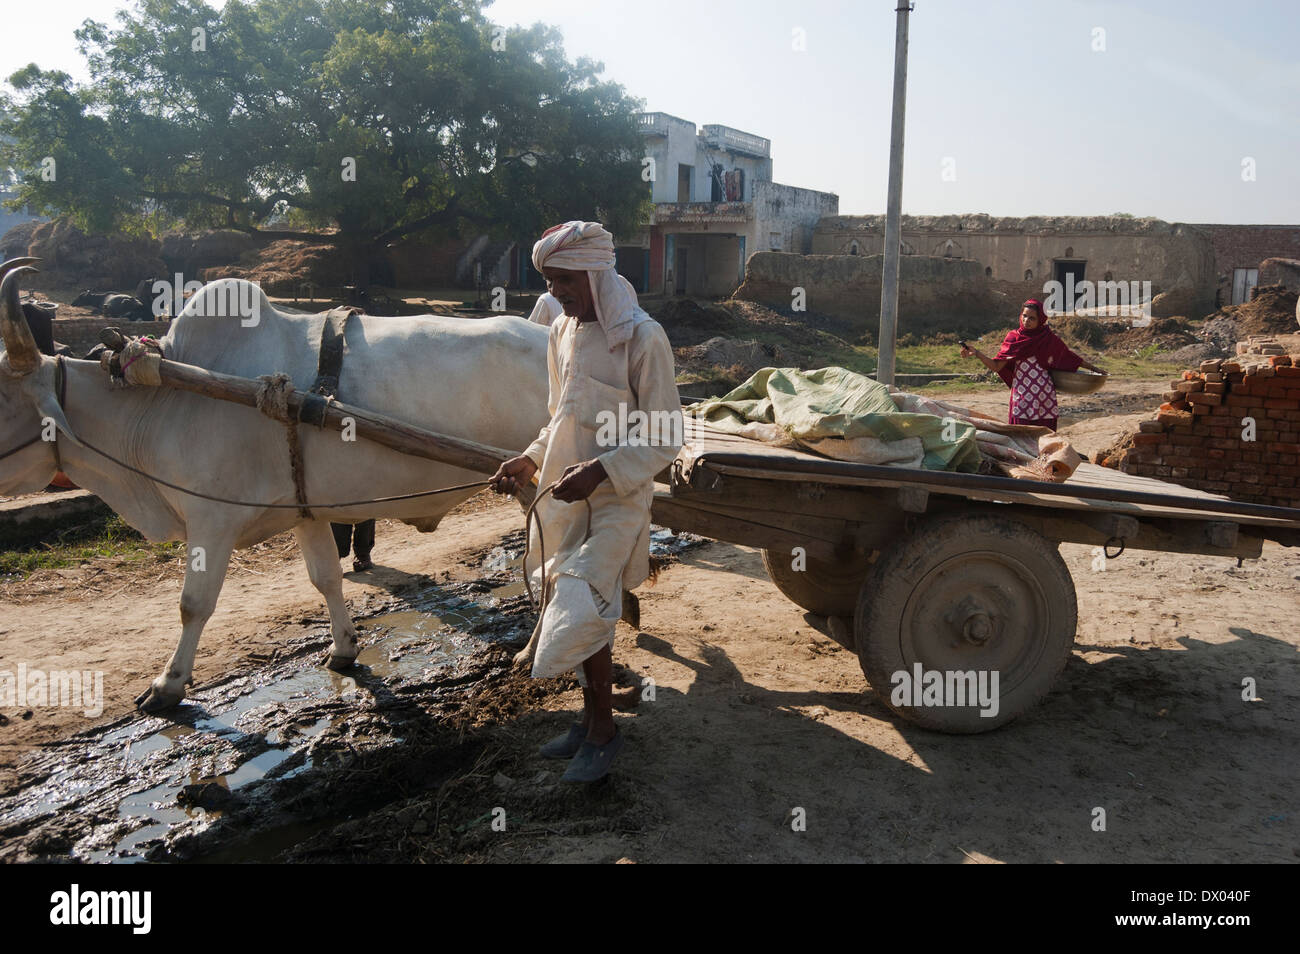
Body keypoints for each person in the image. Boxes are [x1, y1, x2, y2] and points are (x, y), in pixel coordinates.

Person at [490, 221, 682, 783]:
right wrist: (529, 457)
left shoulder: (645, 338)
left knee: (584, 601)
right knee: (565, 599)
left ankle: (604, 733)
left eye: (566, 280)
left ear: (596, 273)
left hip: (618, 499)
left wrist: (602, 469)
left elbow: (665, 435)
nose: (558, 292)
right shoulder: (561, 334)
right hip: (565, 496)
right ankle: (589, 716)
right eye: (550, 281)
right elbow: (560, 419)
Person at [961, 299, 1106, 430]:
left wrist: (1094, 368)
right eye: (1024, 316)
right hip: (1021, 396)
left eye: (1032, 318)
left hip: (1044, 397)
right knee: (1020, 436)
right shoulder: (1014, 338)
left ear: (1040, 320)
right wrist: (977, 353)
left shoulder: (1048, 338)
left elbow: (1069, 357)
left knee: (1044, 439)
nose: (1026, 320)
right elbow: (996, 366)